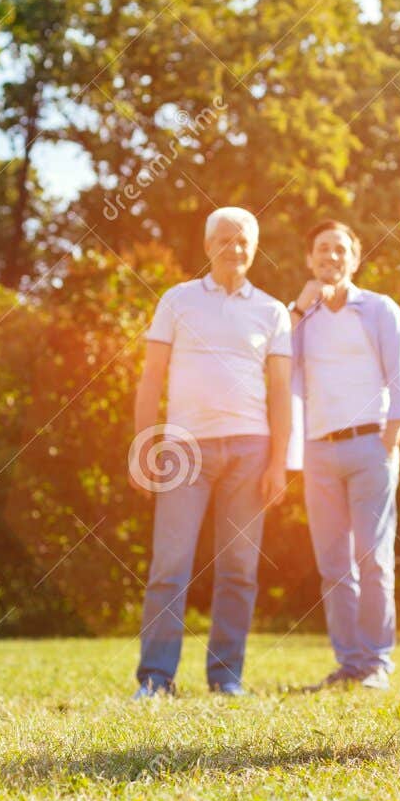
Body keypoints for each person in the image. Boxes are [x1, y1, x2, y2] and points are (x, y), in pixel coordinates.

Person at [129, 207, 291, 697]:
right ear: (207, 246)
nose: (235, 249)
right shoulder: (177, 301)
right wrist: (143, 446)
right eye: (225, 240)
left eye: (244, 241)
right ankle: (156, 679)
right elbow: (151, 377)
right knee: (169, 565)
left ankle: (226, 679)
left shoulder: (272, 310)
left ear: (254, 248)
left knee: (239, 569)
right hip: (183, 450)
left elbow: (282, 391)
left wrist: (279, 462)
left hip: (250, 449)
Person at [288, 220, 400, 691]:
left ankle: (377, 663)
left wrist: (391, 439)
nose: (331, 257)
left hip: (371, 446)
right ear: (310, 259)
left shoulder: (379, 309)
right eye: (323, 249)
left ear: (354, 258)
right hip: (318, 450)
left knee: (374, 558)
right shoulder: (300, 317)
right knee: (333, 565)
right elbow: (277, 365)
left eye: (340, 249)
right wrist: (299, 309)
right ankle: (349, 663)